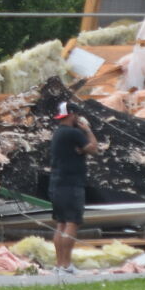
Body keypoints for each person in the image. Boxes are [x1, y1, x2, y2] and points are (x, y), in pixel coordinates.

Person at [47, 103, 97, 273]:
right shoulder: (73, 133)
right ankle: (67, 265)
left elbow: (76, 150)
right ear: (72, 114)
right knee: (72, 222)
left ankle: (59, 264)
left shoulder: (58, 133)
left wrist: (80, 150)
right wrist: (88, 130)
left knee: (61, 224)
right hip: (71, 183)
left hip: (56, 183)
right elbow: (93, 148)